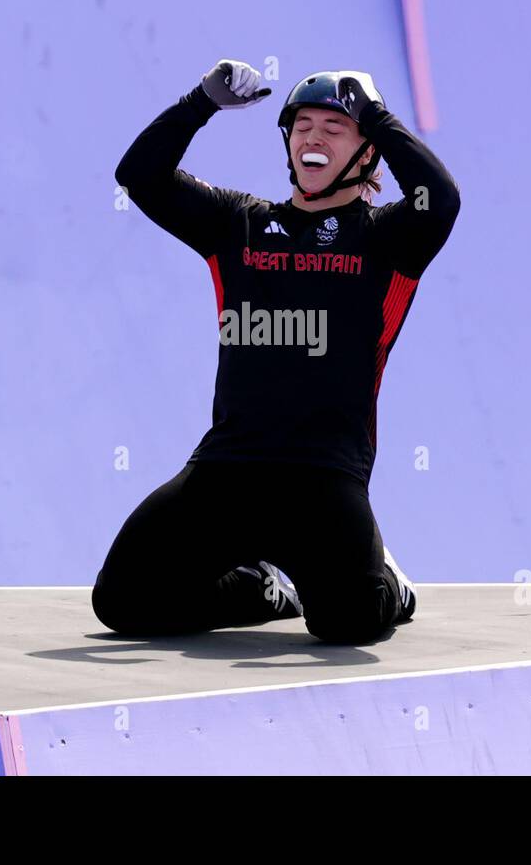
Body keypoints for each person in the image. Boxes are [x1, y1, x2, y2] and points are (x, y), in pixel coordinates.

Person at [92, 59, 460, 645]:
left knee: (350, 624)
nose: (313, 136)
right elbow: (140, 175)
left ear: (366, 155)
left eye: (335, 128)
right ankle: (261, 589)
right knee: (123, 601)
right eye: (302, 125)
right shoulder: (238, 223)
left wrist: (377, 118)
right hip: (226, 469)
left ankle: (390, 581)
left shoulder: (386, 237)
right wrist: (200, 102)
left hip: (325, 477)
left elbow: (439, 200)